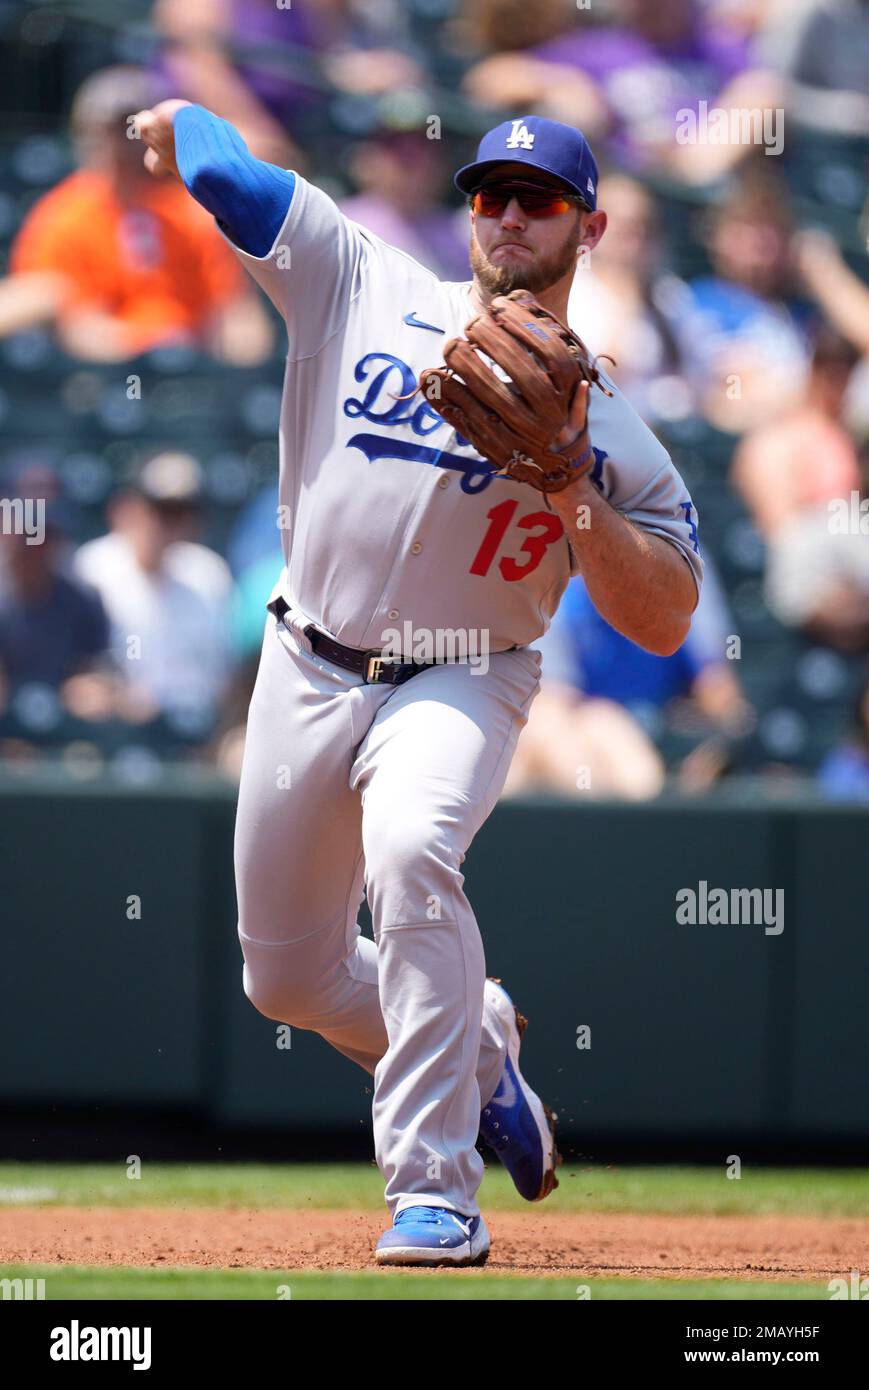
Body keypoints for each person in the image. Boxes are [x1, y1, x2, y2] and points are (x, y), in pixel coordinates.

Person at [136, 102, 702, 1266]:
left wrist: (569, 489)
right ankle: (479, 1042)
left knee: (410, 852)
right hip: (304, 659)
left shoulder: (618, 431)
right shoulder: (363, 282)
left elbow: (663, 617)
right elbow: (235, 178)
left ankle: (434, 1192)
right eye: (486, 193)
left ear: (585, 228)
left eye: (534, 200)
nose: (503, 216)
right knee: (285, 979)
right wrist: (182, 117)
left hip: (464, 673)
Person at [4, 67, 272, 363]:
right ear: (85, 133)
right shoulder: (61, 217)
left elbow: (235, 315)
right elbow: (62, 314)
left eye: (131, 131)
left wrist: (234, 365)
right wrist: (138, 344)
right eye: (110, 130)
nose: (122, 145)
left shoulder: (192, 212)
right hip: (102, 374)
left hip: (187, 370)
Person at [72, 451, 234, 732]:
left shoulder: (209, 573)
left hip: (195, 727)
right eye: (163, 510)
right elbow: (80, 671)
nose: (173, 523)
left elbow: (222, 677)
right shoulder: (93, 568)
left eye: (184, 511)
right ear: (127, 508)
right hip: (116, 726)